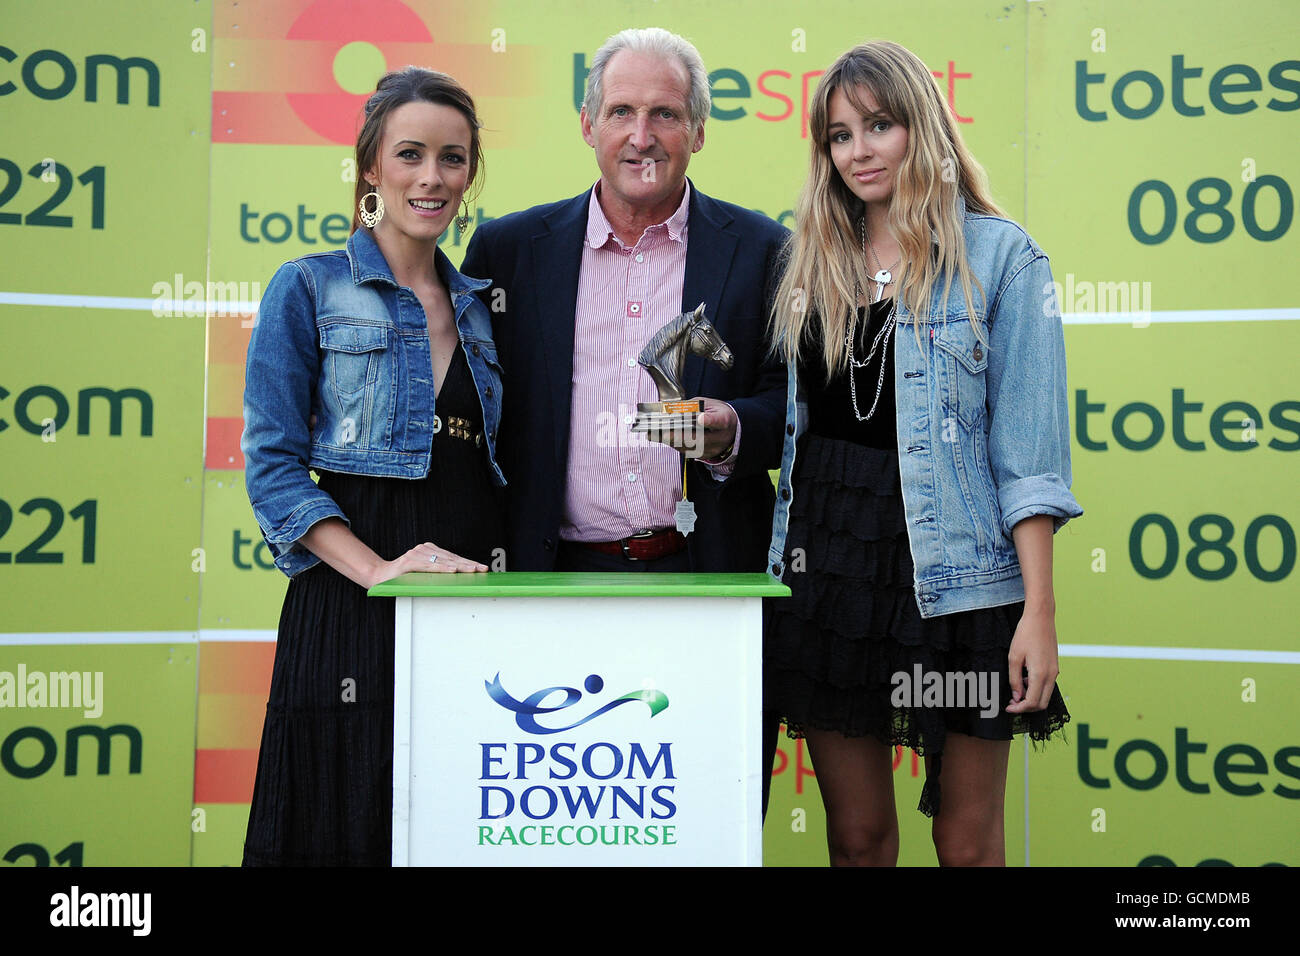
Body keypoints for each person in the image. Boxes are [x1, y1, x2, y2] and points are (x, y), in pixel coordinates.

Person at [764, 41, 1083, 867]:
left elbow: (1032, 461)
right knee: (860, 840)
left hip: (964, 584)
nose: (859, 150)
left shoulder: (1002, 259)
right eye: (838, 135)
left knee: (968, 845)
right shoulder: (809, 260)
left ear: (924, 128)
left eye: (879, 125)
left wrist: (1038, 616)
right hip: (830, 574)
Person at [239, 68, 505, 865]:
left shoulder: (484, 305)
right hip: (352, 595)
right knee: (337, 821)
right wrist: (381, 570)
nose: (432, 178)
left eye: (452, 159)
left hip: (466, 589)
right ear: (370, 166)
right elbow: (273, 469)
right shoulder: (308, 286)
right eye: (411, 154)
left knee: (453, 821)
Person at [460, 27, 788, 579]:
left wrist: (734, 427)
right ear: (589, 126)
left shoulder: (765, 251)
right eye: (620, 112)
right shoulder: (508, 253)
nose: (642, 136)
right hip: (548, 576)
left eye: (665, 114)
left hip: (713, 576)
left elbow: (798, 403)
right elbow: (472, 406)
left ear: (699, 131)